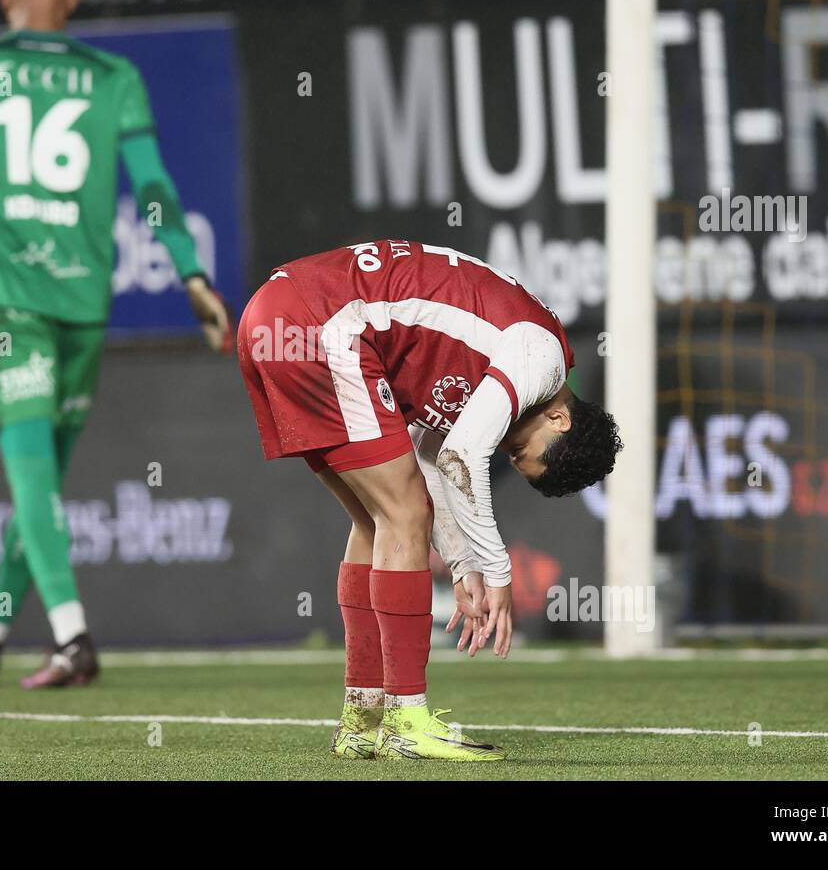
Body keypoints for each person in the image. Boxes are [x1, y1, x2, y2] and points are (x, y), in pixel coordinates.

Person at [0, 0, 230, 688]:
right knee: (43, 482)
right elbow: (153, 189)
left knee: (33, 483)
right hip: (85, 306)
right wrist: (191, 271)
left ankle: (72, 637)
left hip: (9, 302)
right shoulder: (114, 79)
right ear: (75, 1)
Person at [236, 240, 621, 760]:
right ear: (560, 418)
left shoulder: (501, 364)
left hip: (274, 319)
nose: (509, 446)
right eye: (522, 450)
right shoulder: (542, 358)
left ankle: (363, 718)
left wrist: (463, 564)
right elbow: (462, 457)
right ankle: (407, 719)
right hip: (322, 324)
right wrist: (497, 572)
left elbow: (434, 457)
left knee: (378, 520)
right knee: (402, 512)